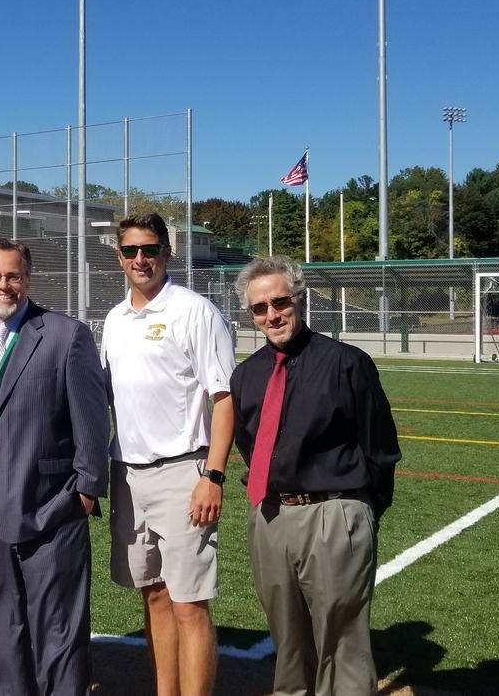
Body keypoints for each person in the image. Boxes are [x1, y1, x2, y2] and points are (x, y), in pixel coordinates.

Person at [0, 238, 109, 696]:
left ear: (27, 279)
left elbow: (91, 416)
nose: (3, 285)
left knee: (59, 628)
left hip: (49, 504)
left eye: (12, 276)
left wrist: (86, 489)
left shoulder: (66, 334)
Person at [230, 254, 401, 696]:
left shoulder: (347, 363)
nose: (272, 314)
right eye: (259, 308)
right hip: (271, 517)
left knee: (341, 638)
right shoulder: (246, 375)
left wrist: (359, 512)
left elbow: (380, 447)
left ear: (300, 299)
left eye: (280, 301)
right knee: (287, 640)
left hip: (334, 512)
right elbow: (250, 447)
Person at [100, 212, 236, 696]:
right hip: (129, 476)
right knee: (153, 595)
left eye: (150, 249)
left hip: (184, 473)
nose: (142, 259)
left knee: (189, 603)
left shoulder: (195, 311)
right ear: (119, 257)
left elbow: (224, 399)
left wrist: (213, 476)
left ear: (167, 253)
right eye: (132, 250)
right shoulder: (115, 320)